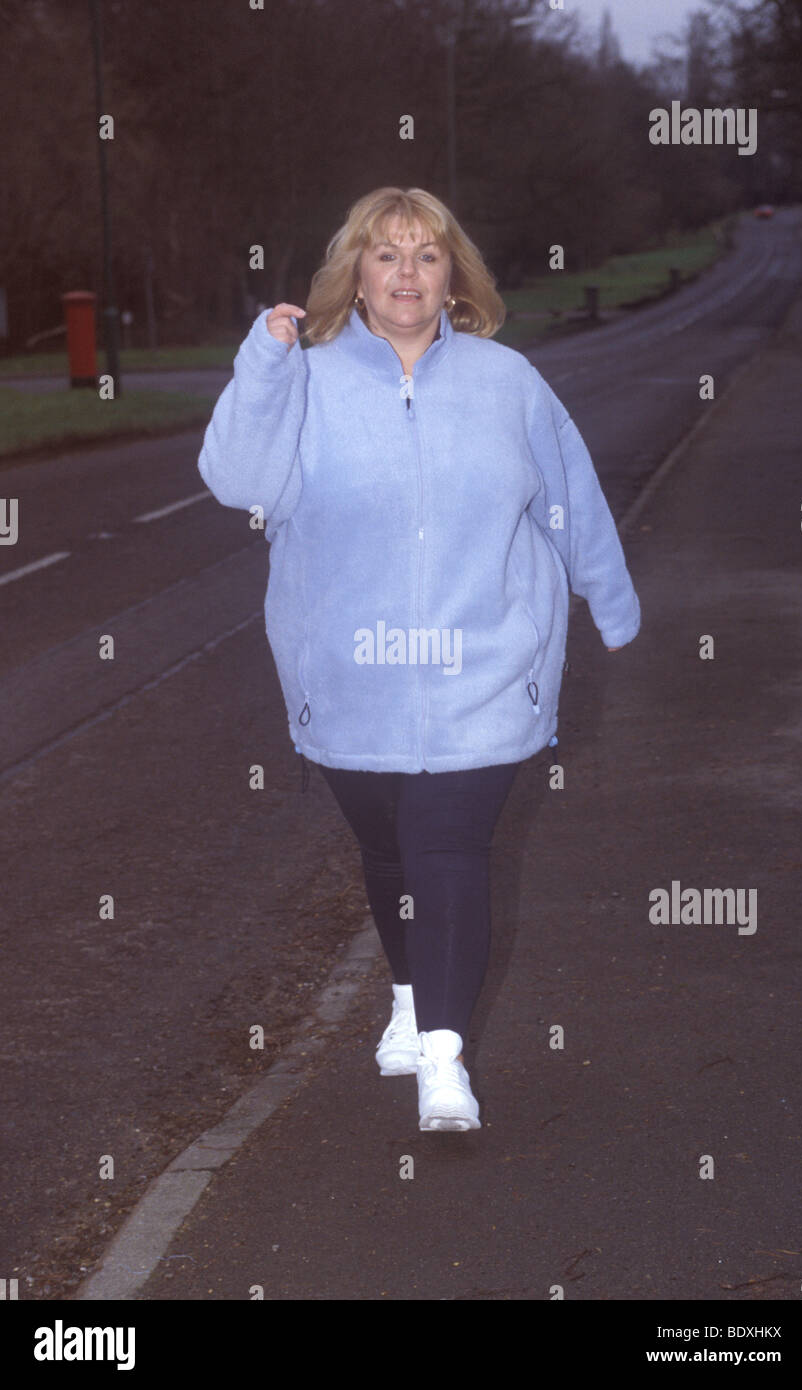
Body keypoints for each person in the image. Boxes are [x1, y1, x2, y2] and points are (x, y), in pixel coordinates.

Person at [197, 187, 640, 1132]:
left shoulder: (506, 381)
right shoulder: (305, 377)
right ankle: (407, 995)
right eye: (387, 254)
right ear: (354, 275)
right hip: (348, 674)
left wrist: (609, 598)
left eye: (427, 255)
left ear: (453, 277)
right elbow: (236, 480)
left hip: (483, 667)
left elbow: (568, 498)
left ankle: (444, 1059)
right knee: (390, 848)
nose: (407, 273)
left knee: (448, 847)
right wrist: (265, 366)